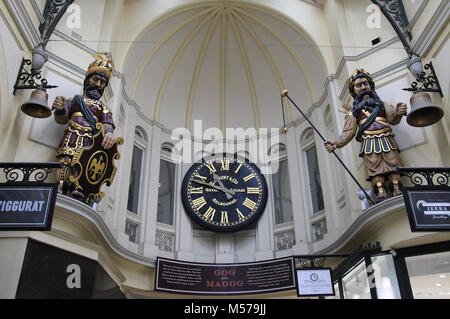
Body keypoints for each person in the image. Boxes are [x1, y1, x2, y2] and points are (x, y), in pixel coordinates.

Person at [324, 69, 407, 203]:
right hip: (369, 142)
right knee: (375, 167)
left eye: (365, 84)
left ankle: (396, 187)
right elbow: (348, 132)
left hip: (386, 137)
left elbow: (393, 119)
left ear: (370, 86)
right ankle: (380, 191)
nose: (363, 87)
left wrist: (399, 113)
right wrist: (336, 143)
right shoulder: (353, 113)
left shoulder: (383, 105)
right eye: (359, 85)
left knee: (392, 162)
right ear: (354, 90)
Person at [53, 53, 115, 199]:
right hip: (72, 134)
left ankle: (78, 187)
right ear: (88, 80)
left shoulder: (103, 108)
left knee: (83, 163)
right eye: (95, 79)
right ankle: (61, 185)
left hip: (89, 139)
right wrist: (60, 108)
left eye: (102, 82)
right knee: (66, 160)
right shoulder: (76, 100)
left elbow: (108, 125)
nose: (98, 85)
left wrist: (109, 134)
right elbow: (61, 119)